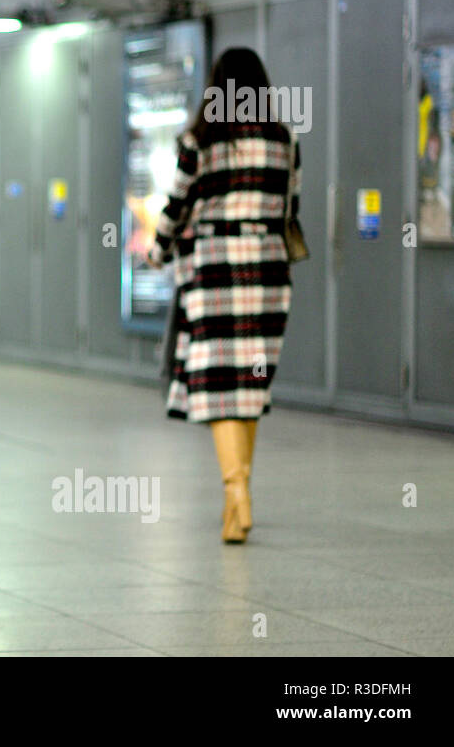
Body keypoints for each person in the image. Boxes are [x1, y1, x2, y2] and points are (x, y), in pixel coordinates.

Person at [146, 47, 300, 544]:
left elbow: (176, 204)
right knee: (251, 385)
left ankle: (238, 495)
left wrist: (158, 250)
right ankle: (237, 502)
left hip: (214, 270)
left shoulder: (200, 140)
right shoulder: (285, 140)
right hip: (268, 270)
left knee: (219, 387)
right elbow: (289, 208)